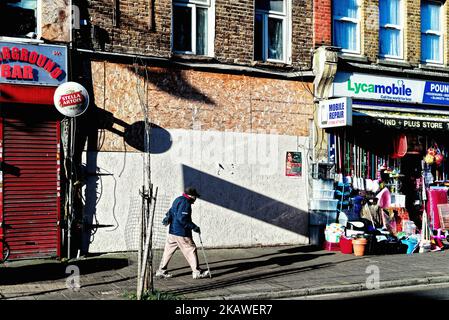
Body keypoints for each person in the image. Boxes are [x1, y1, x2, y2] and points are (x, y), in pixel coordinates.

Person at [156, 187, 211, 279]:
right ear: (191, 196)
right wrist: (194, 227)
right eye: (195, 197)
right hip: (182, 233)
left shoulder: (178, 199)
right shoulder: (186, 203)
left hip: (172, 232)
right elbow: (182, 218)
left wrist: (167, 218)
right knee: (191, 249)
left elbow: (170, 211)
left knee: (168, 251)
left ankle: (161, 271)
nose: (195, 199)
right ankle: (197, 272)